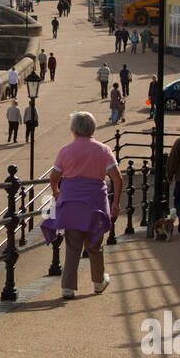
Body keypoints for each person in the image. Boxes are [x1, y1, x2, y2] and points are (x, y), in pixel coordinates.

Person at [41, 112, 120, 299]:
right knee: (95, 245)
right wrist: (115, 201)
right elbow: (117, 178)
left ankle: (68, 287)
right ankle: (98, 282)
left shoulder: (65, 150)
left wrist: (56, 192)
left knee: (72, 246)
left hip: (72, 204)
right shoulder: (103, 150)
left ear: (74, 130)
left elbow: (54, 177)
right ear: (93, 129)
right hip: (96, 204)